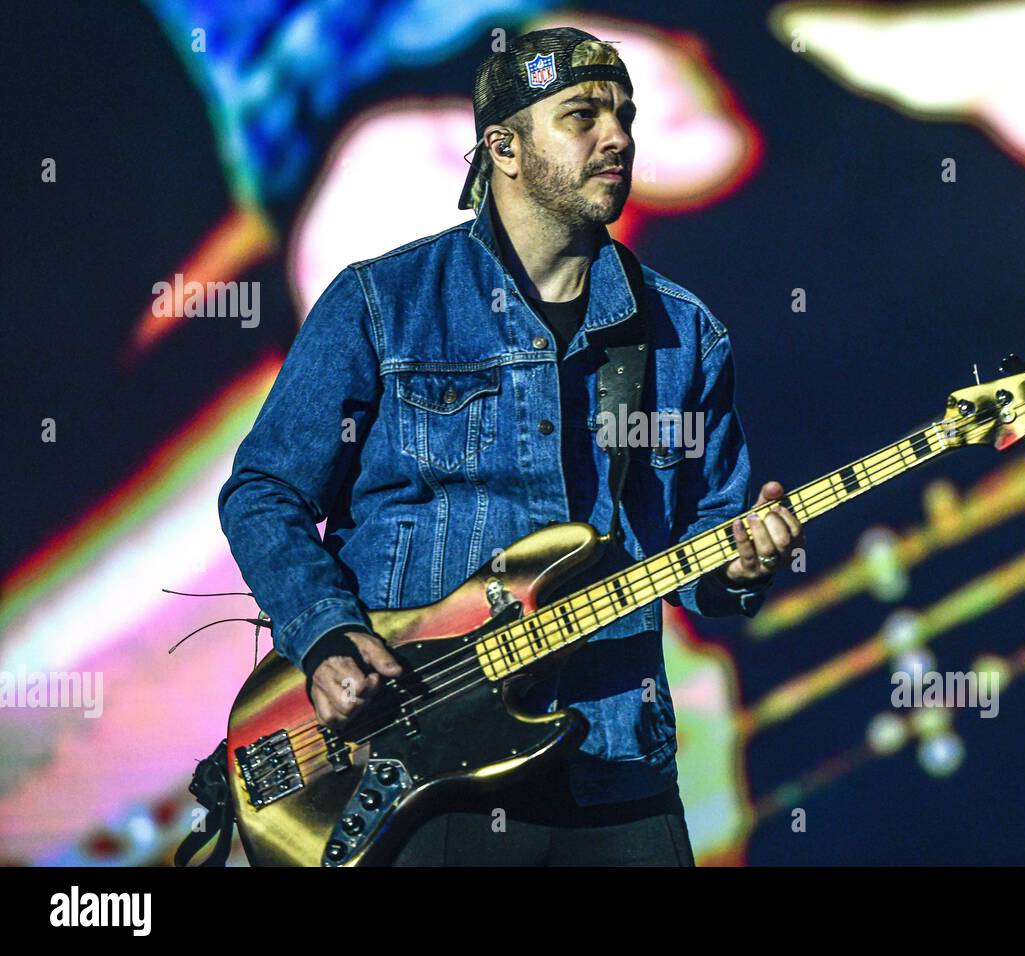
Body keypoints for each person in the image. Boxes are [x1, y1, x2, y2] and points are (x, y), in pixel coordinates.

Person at [218, 26, 803, 866]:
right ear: (505, 148)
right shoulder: (382, 303)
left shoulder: (683, 333)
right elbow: (265, 491)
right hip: (420, 766)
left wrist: (743, 564)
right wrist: (327, 636)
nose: (618, 137)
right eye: (582, 115)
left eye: (624, 115)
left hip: (615, 766)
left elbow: (702, 547)